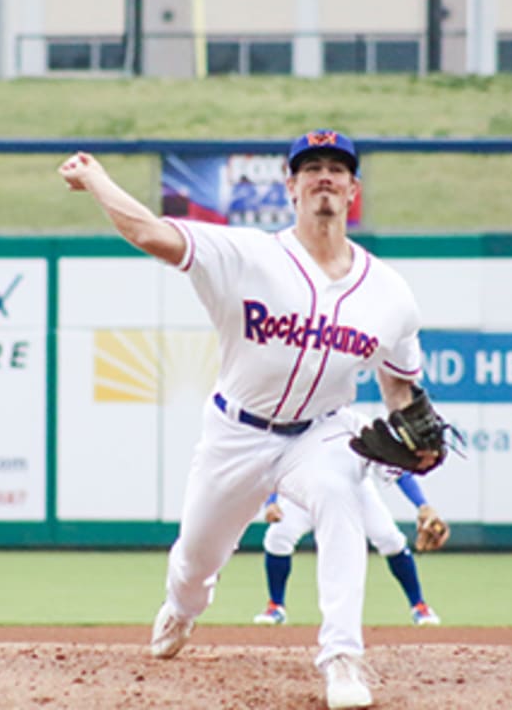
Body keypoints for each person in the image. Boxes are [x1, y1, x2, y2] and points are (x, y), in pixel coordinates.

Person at [58, 129, 440, 710]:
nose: (324, 177)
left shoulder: (389, 293)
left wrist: (415, 430)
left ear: (353, 188)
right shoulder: (245, 255)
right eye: (310, 167)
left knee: (342, 492)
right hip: (235, 433)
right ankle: (182, 611)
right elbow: (147, 232)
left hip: (319, 431)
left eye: (337, 168)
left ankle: (343, 657)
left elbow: (399, 383)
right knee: (195, 561)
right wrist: (96, 179)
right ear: (290, 186)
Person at [254, 472, 443, 627]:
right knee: (278, 537)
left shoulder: (360, 427)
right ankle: (275, 606)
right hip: (308, 492)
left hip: (356, 493)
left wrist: (422, 504)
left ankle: (419, 605)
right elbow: (277, 468)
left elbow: (398, 470)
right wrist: (271, 502)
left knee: (389, 539)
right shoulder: (306, 427)